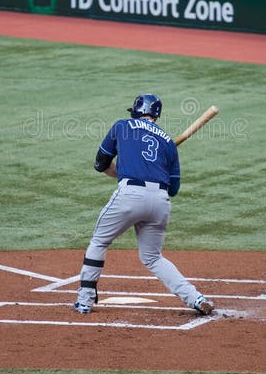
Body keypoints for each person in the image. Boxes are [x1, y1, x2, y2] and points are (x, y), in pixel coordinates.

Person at [73, 94, 214, 317]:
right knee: (153, 257)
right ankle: (196, 298)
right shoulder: (168, 142)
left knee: (99, 241)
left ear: (136, 111)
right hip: (159, 202)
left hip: (129, 194)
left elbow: (100, 163)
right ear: (155, 115)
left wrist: (124, 171)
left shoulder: (122, 125)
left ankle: (84, 301)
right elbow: (174, 189)